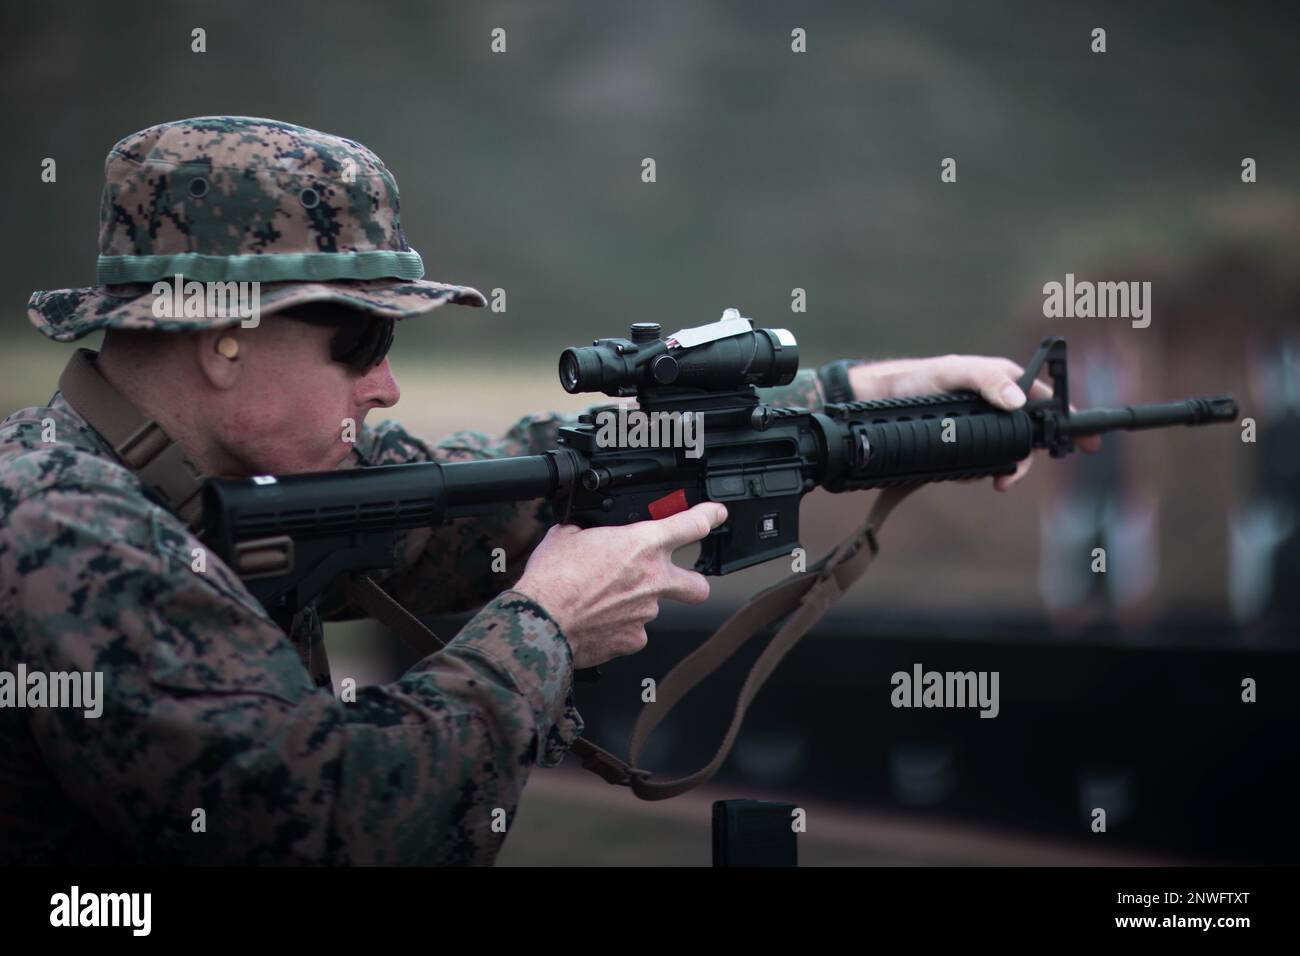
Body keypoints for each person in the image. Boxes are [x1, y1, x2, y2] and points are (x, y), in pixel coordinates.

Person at [0, 116, 1066, 865]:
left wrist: (858, 402)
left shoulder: (204, 482)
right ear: (224, 339)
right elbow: (327, 824)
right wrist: (542, 627)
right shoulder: (63, 525)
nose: (386, 384)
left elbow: (502, 484)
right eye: (361, 338)